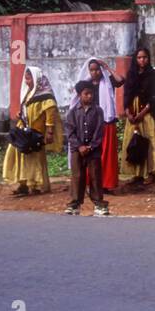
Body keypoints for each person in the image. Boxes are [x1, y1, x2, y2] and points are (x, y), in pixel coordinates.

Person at [2, 66, 63, 196]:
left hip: (36, 132)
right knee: (19, 153)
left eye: (29, 78)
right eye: (26, 78)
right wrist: (20, 113)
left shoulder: (46, 96)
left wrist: (50, 131)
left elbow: (50, 112)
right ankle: (23, 184)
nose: (26, 81)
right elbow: (25, 108)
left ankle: (36, 185)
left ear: (37, 79)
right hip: (23, 129)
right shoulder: (28, 93)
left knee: (34, 157)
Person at [75, 57, 124, 195]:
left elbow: (120, 80)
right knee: (91, 155)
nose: (95, 72)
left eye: (97, 69)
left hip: (107, 122)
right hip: (90, 123)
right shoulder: (85, 85)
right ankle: (90, 184)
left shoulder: (107, 82)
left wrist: (107, 67)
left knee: (107, 154)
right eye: (92, 70)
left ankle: (106, 184)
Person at [120, 47, 155, 186]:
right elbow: (126, 94)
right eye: (139, 57)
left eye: (145, 57)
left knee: (149, 141)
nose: (142, 60)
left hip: (147, 113)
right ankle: (137, 173)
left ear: (149, 58)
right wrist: (128, 112)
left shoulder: (154, 75)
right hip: (132, 112)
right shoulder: (131, 74)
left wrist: (142, 112)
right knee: (133, 141)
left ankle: (150, 172)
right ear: (135, 59)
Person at [65, 79, 110, 216]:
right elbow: (70, 132)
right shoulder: (72, 112)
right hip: (77, 150)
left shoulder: (98, 111)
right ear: (80, 95)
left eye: (91, 94)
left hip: (93, 149)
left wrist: (91, 146)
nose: (89, 96)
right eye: (86, 94)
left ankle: (99, 204)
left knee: (95, 175)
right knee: (77, 175)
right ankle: (74, 204)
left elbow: (99, 130)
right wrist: (79, 146)